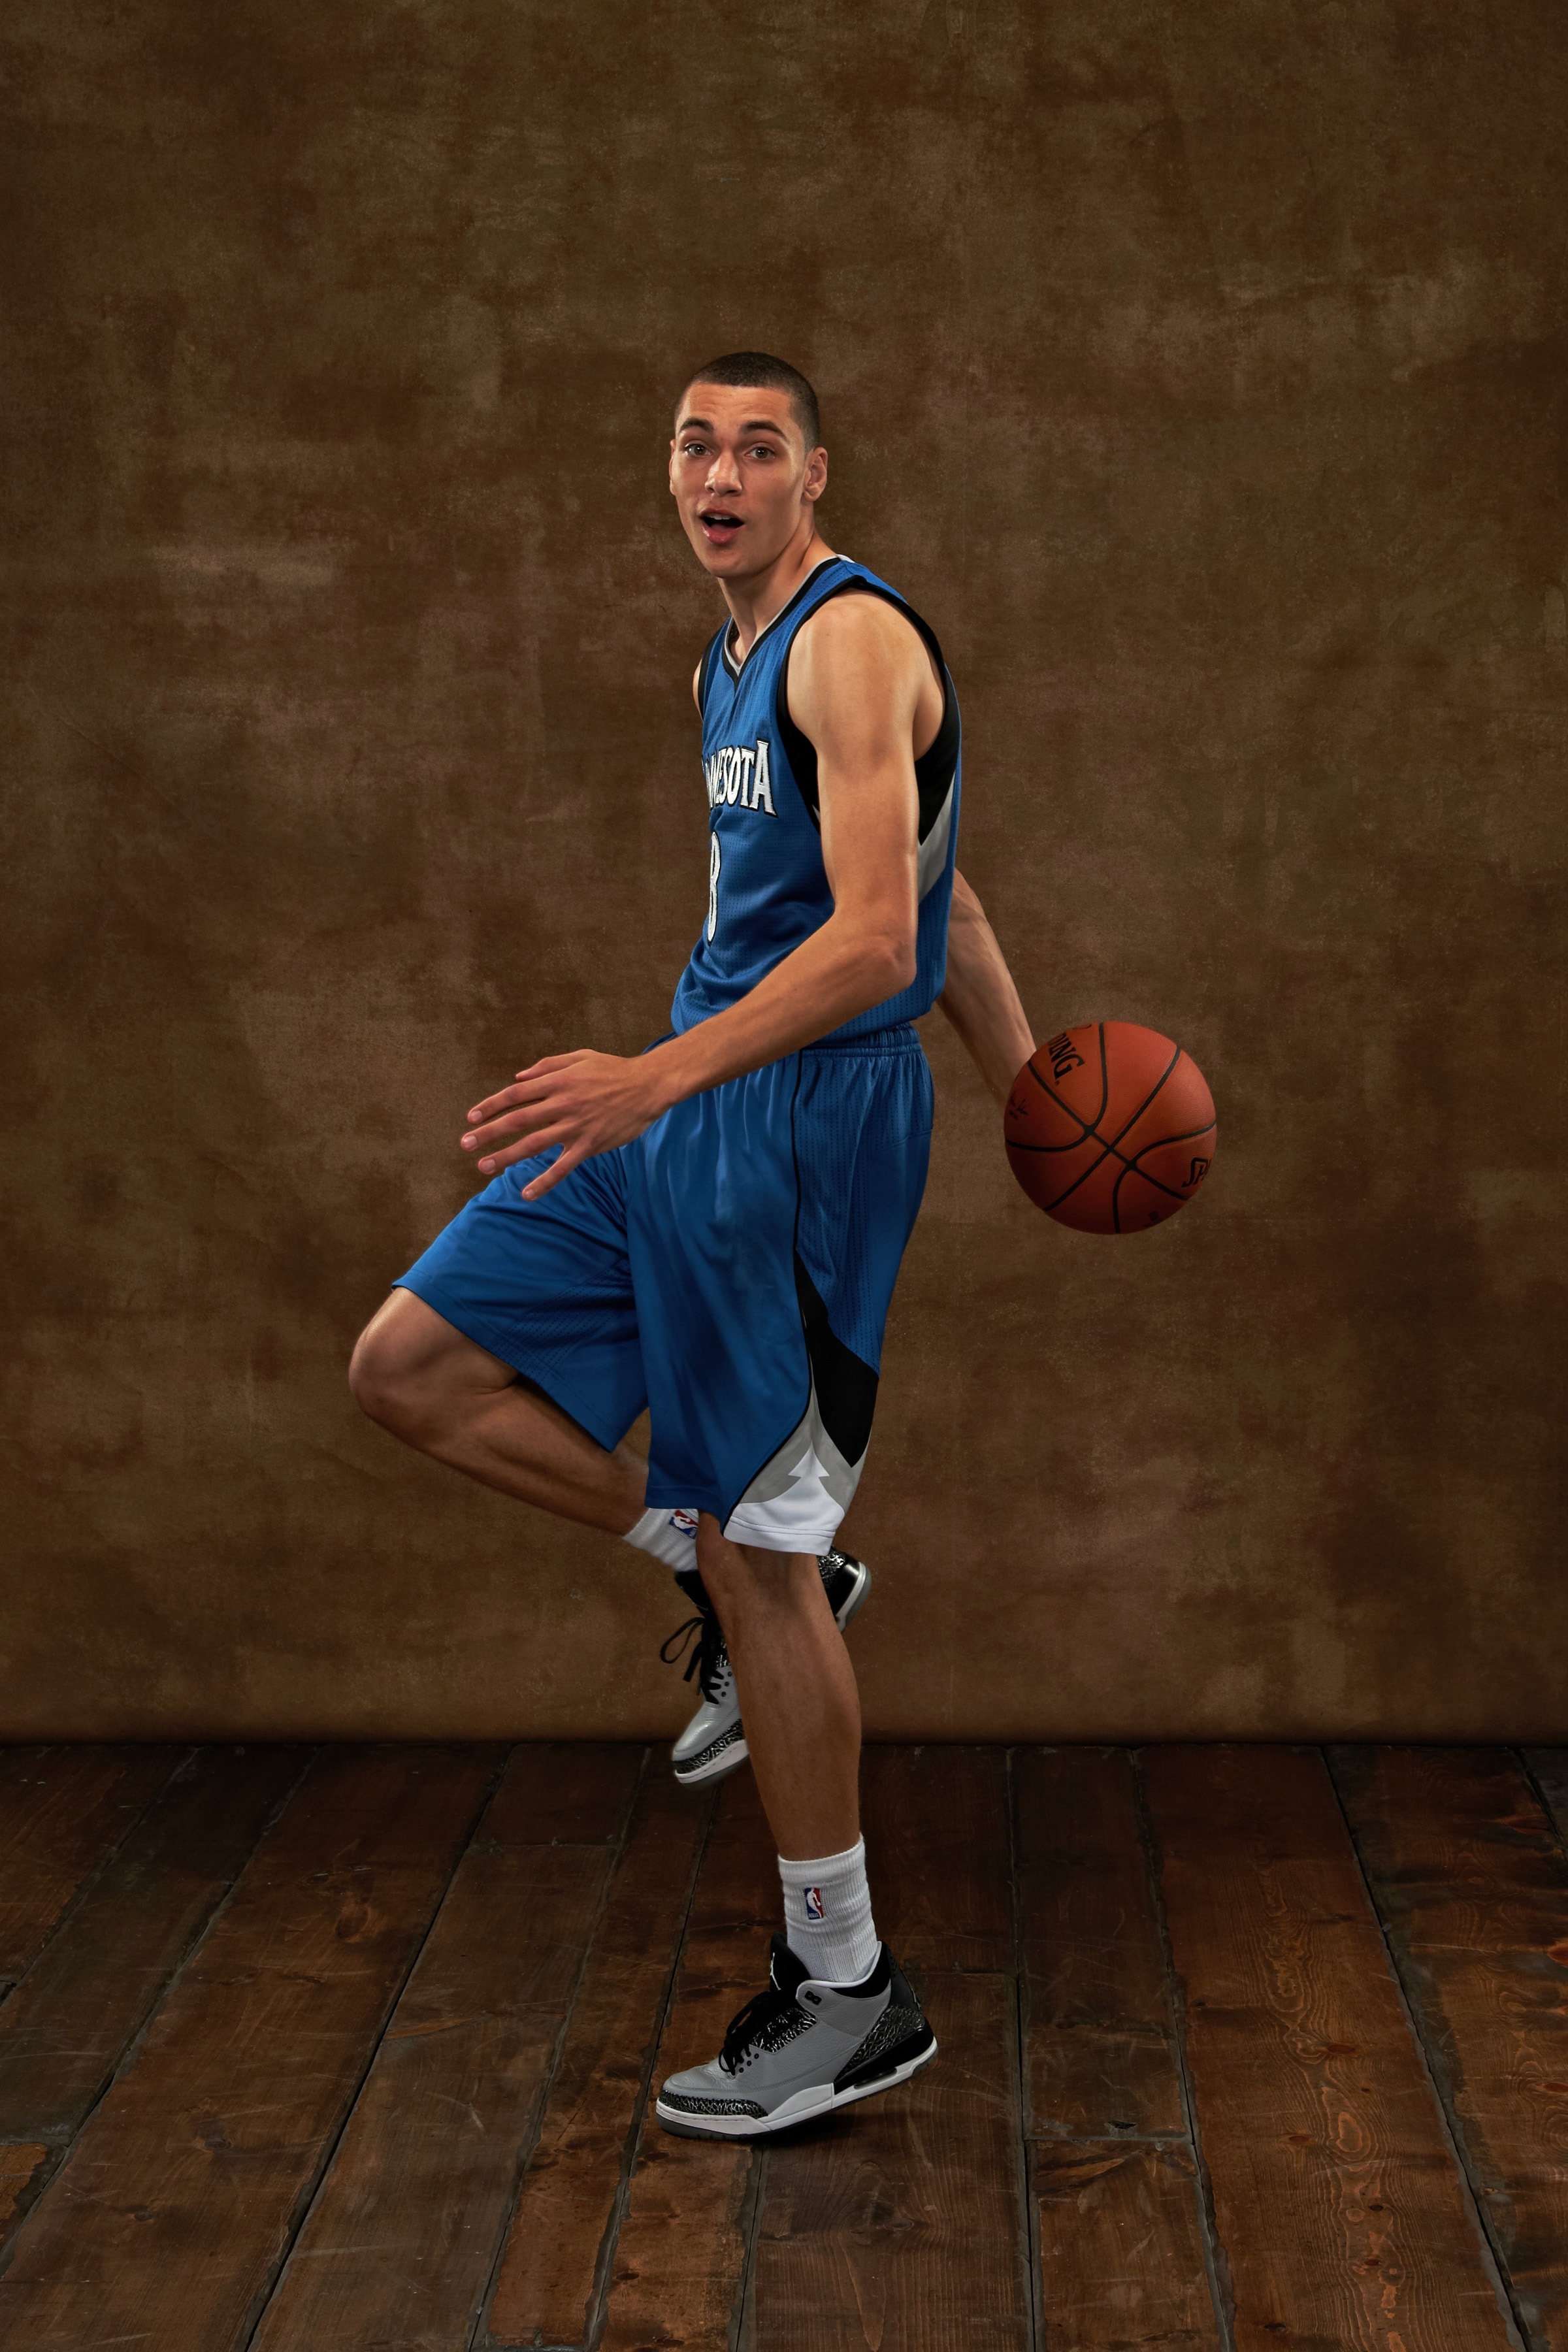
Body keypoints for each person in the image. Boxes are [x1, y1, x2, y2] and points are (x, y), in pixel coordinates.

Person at [349, 352, 1034, 2138]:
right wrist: (1034, 1084)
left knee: (773, 1559)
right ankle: (699, 1567)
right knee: (408, 1366)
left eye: (756, 447)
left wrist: (660, 1078)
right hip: (693, 1103)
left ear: (816, 473)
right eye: (693, 444)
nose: (719, 473)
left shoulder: (850, 643)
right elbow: (941, 883)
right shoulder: (728, 657)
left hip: (799, 1132)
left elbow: (890, 932)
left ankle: (848, 1991)